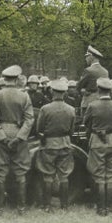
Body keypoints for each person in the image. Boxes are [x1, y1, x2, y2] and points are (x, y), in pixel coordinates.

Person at [0, 65, 35, 215]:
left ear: (4, 79)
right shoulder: (24, 96)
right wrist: (20, 137)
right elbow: (29, 119)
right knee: (20, 172)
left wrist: (1, 135)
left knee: (0, 172)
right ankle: (21, 208)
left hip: (1, 133)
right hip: (18, 133)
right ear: (16, 79)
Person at [82, 77, 112, 215]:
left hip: (97, 141)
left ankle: (101, 208)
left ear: (98, 90)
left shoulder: (92, 106)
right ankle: (110, 208)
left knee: (99, 175)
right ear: (110, 91)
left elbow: (86, 122)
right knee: (111, 175)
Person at [34, 78, 77, 211]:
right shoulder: (71, 109)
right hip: (65, 143)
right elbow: (72, 130)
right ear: (64, 93)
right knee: (64, 176)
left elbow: (39, 128)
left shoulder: (45, 109)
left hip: (49, 144)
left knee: (48, 175)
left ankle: (47, 206)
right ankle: (64, 206)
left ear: (52, 92)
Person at [77, 46, 109, 113]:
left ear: (91, 57)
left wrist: (83, 90)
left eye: (87, 56)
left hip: (89, 102)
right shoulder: (105, 72)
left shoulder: (88, 70)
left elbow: (79, 86)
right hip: (102, 103)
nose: (86, 59)